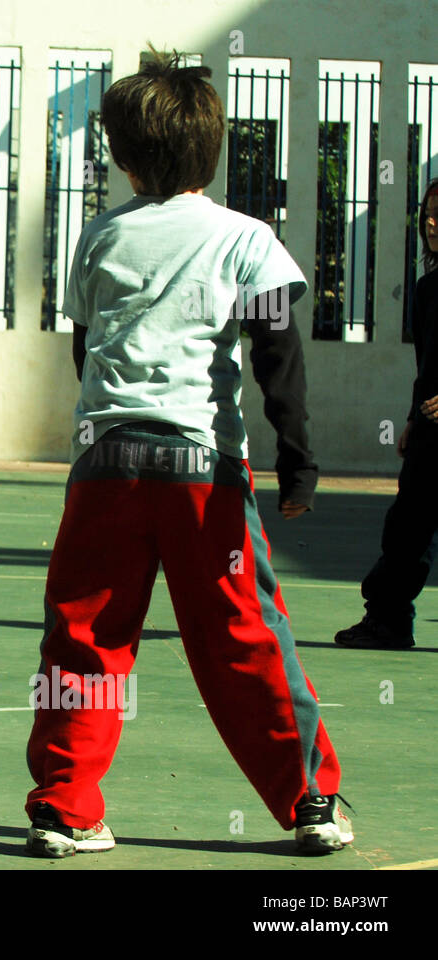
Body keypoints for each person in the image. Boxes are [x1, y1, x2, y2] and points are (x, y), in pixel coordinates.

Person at [24, 50, 351, 858]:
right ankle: (310, 802)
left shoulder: (100, 237)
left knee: (84, 636)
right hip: (201, 468)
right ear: (212, 150)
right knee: (241, 636)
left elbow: (85, 349)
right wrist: (298, 461)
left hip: (105, 464)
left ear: (125, 157)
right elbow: (279, 355)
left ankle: (66, 806)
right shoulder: (247, 238)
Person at [334, 179, 438, 650]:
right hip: (431, 434)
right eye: (428, 213)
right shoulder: (427, 289)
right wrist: (414, 417)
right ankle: (388, 620)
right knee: (405, 529)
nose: (432, 222)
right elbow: (427, 366)